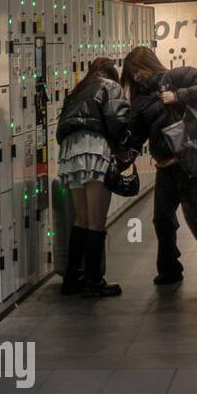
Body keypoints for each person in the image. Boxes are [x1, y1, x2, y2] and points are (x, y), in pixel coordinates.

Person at [121, 46, 197, 287]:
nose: (136, 77)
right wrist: (126, 154)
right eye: (131, 74)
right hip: (165, 166)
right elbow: (137, 134)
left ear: (147, 65)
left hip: (190, 162)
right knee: (162, 218)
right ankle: (169, 269)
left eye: (137, 71)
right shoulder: (140, 101)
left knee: (194, 216)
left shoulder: (177, 77)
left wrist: (178, 96)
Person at [55, 57, 131, 296]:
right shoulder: (111, 86)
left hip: (70, 152)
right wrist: (124, 149)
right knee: (97, 220)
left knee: (82, 218)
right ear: (111, 73)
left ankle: (72, 278)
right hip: (94, 148)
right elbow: (118, 122)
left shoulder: (78, 90)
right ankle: (93, 281)